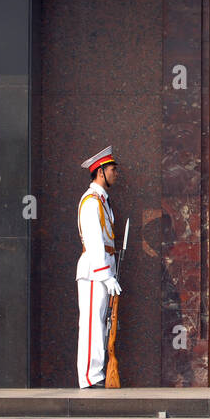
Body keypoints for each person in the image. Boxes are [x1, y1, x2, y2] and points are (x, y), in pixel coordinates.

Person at [76, 146, 121, 387]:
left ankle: (97, 374)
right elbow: (94, 242)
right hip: (94, 271)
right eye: (113, 169)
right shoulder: (92, 202)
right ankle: (89, 377)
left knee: (102, 324)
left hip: (103, 269)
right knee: (92, 324)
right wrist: (106, 276)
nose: (116, 173)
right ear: (100, 172)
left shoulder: (103, 202)